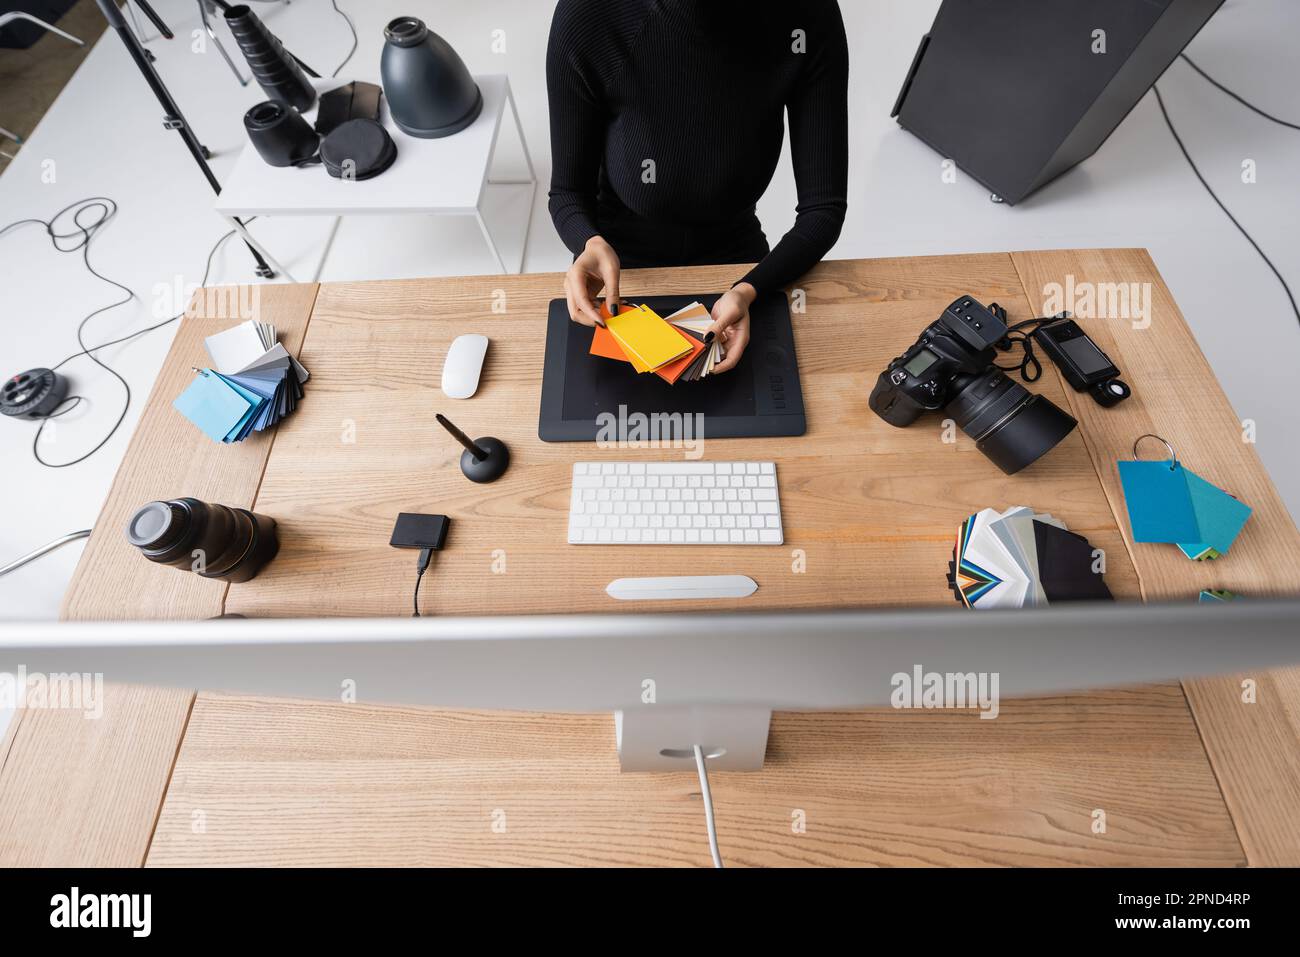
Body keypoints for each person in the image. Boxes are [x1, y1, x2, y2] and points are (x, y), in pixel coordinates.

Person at [546, 0, 848, 373]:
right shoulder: (587, 14)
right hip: (618, 271)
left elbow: (823, 209)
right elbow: (567, 193)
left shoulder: (807, 16)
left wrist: (748, 288)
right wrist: (587, 241)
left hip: (741, 267)